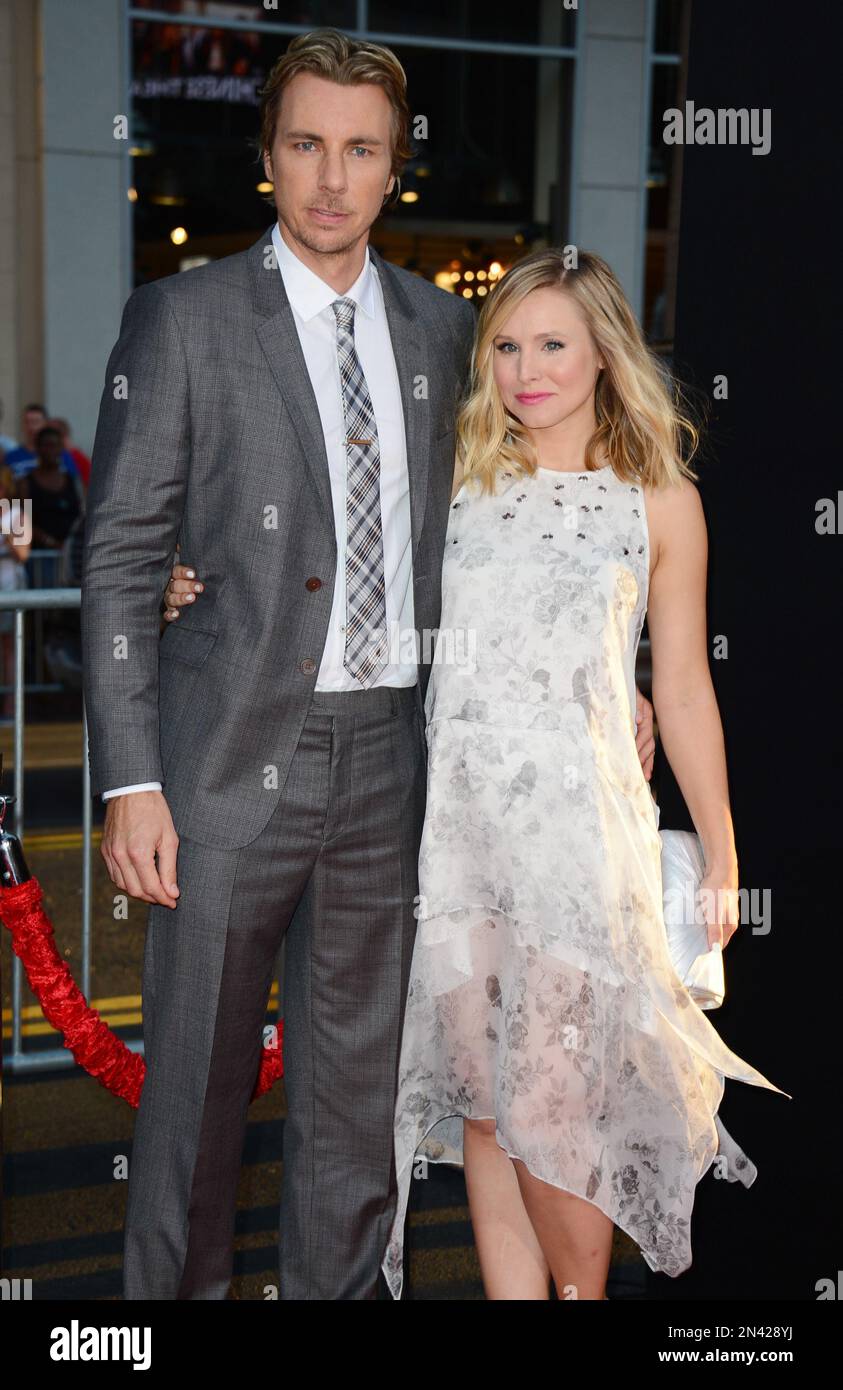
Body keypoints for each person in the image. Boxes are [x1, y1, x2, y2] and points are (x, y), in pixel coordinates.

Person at [83, 28, 654, 1303]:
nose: (332, 178)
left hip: (397, 767)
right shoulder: (181, 320)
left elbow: (523, 519)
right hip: (221, 766)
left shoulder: (449, 331)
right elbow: (118, 557)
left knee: (356, 1126)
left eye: (361, 150)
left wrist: (609, 667)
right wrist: (130, 780)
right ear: (269, 155)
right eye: (306, 145)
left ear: (396, 166)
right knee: (192, 1114)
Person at [377, 247, 788, 1300]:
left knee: (551, 1107)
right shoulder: (457, 478)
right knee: (485, 1104)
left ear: (605, 350)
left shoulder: (659, 499)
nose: (526, 371)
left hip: (578, 847)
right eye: (506, 347)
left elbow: (683, 686)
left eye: (552, 344)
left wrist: (722, 852)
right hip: (458, 841)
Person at [18, 426, 83, 550]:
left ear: (61, 448)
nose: (51, 450)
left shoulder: (73, 481)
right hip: (38, 554)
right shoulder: (24, 484)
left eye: (55, 445)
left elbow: (81, 515)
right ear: (37, 448)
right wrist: (50, 542)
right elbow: (22, 521)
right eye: (46, 445)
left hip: (71, 552)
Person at [0, 463, 30, 717]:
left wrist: (6, 535)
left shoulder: (19, 514)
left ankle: (10, 708)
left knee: (9, 649)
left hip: (10, 586)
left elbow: (22, 554)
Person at [4, 402, 81, 482]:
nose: (31, 427)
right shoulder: (11, 457)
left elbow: (73, 483)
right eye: (27, 422)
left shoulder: (61, 456)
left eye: (35, 422)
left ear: (45, 424)